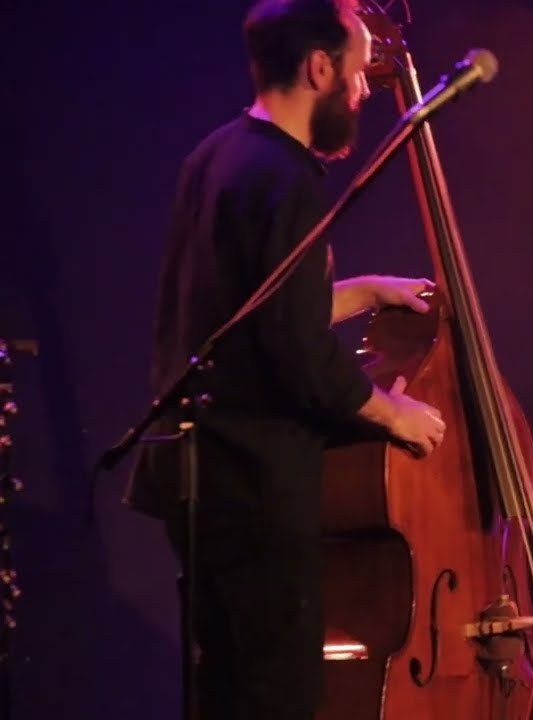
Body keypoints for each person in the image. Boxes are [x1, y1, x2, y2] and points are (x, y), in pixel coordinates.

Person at [122, 1, 447, 717]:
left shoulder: (217, 155)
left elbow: (243, 311)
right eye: (358, 73)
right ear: (319, 66)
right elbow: (297, 355)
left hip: (198, 480)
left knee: (226, 694)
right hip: (257, 484)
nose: (363, 92)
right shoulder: (288, 179)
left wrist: (364, 291)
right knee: (279, 698)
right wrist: (394, 413)